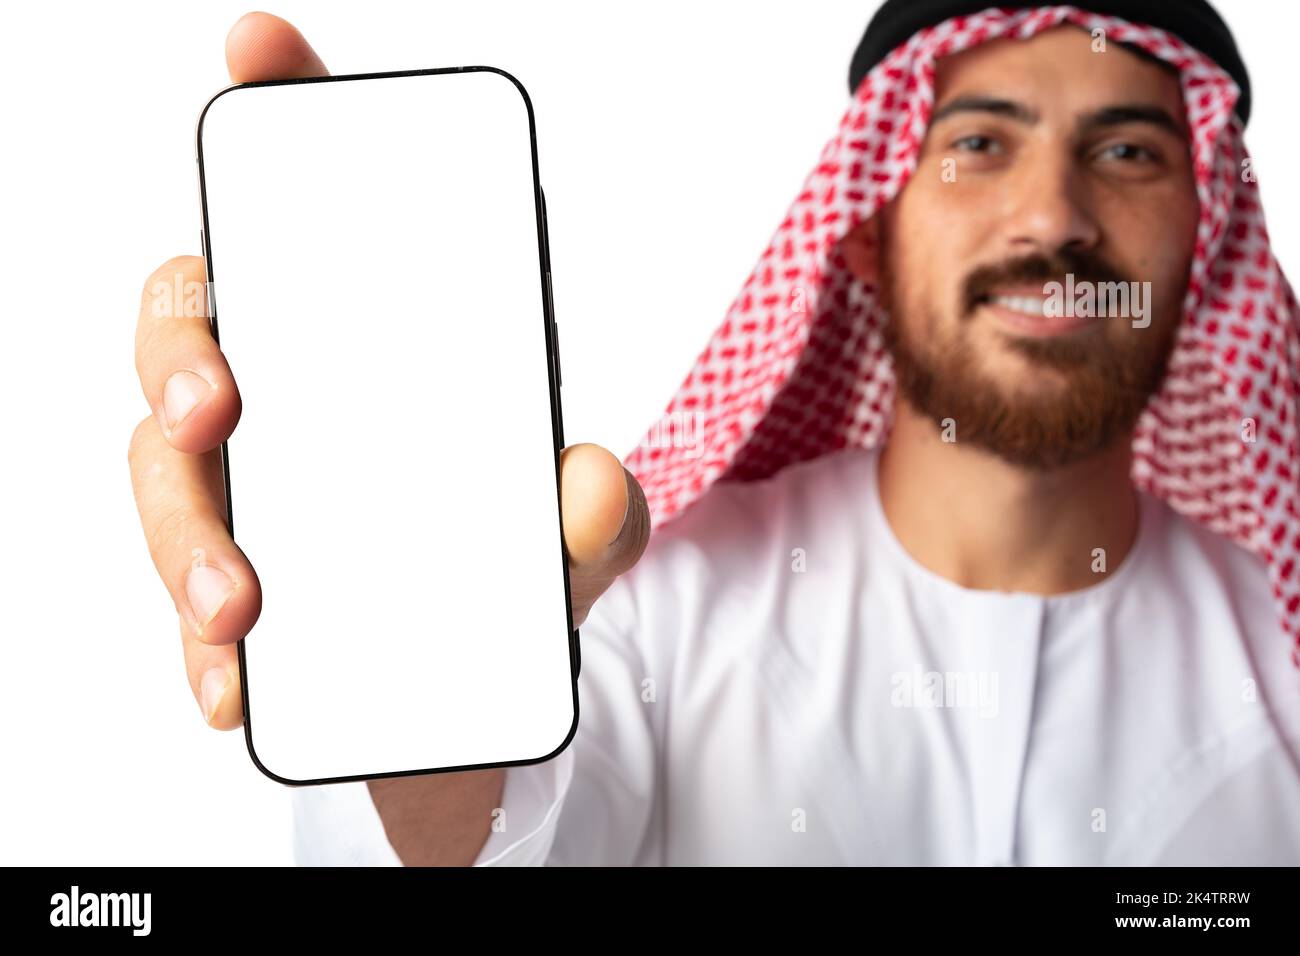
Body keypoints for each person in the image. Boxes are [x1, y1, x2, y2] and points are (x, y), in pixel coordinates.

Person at [129, 3, 1300, 866]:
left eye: (1130, 151)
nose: (1053, 217)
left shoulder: (1279, 657)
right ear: (861, 232)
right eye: (979, 143)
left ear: (1209, 245)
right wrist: (400, 636)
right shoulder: (640, 611)